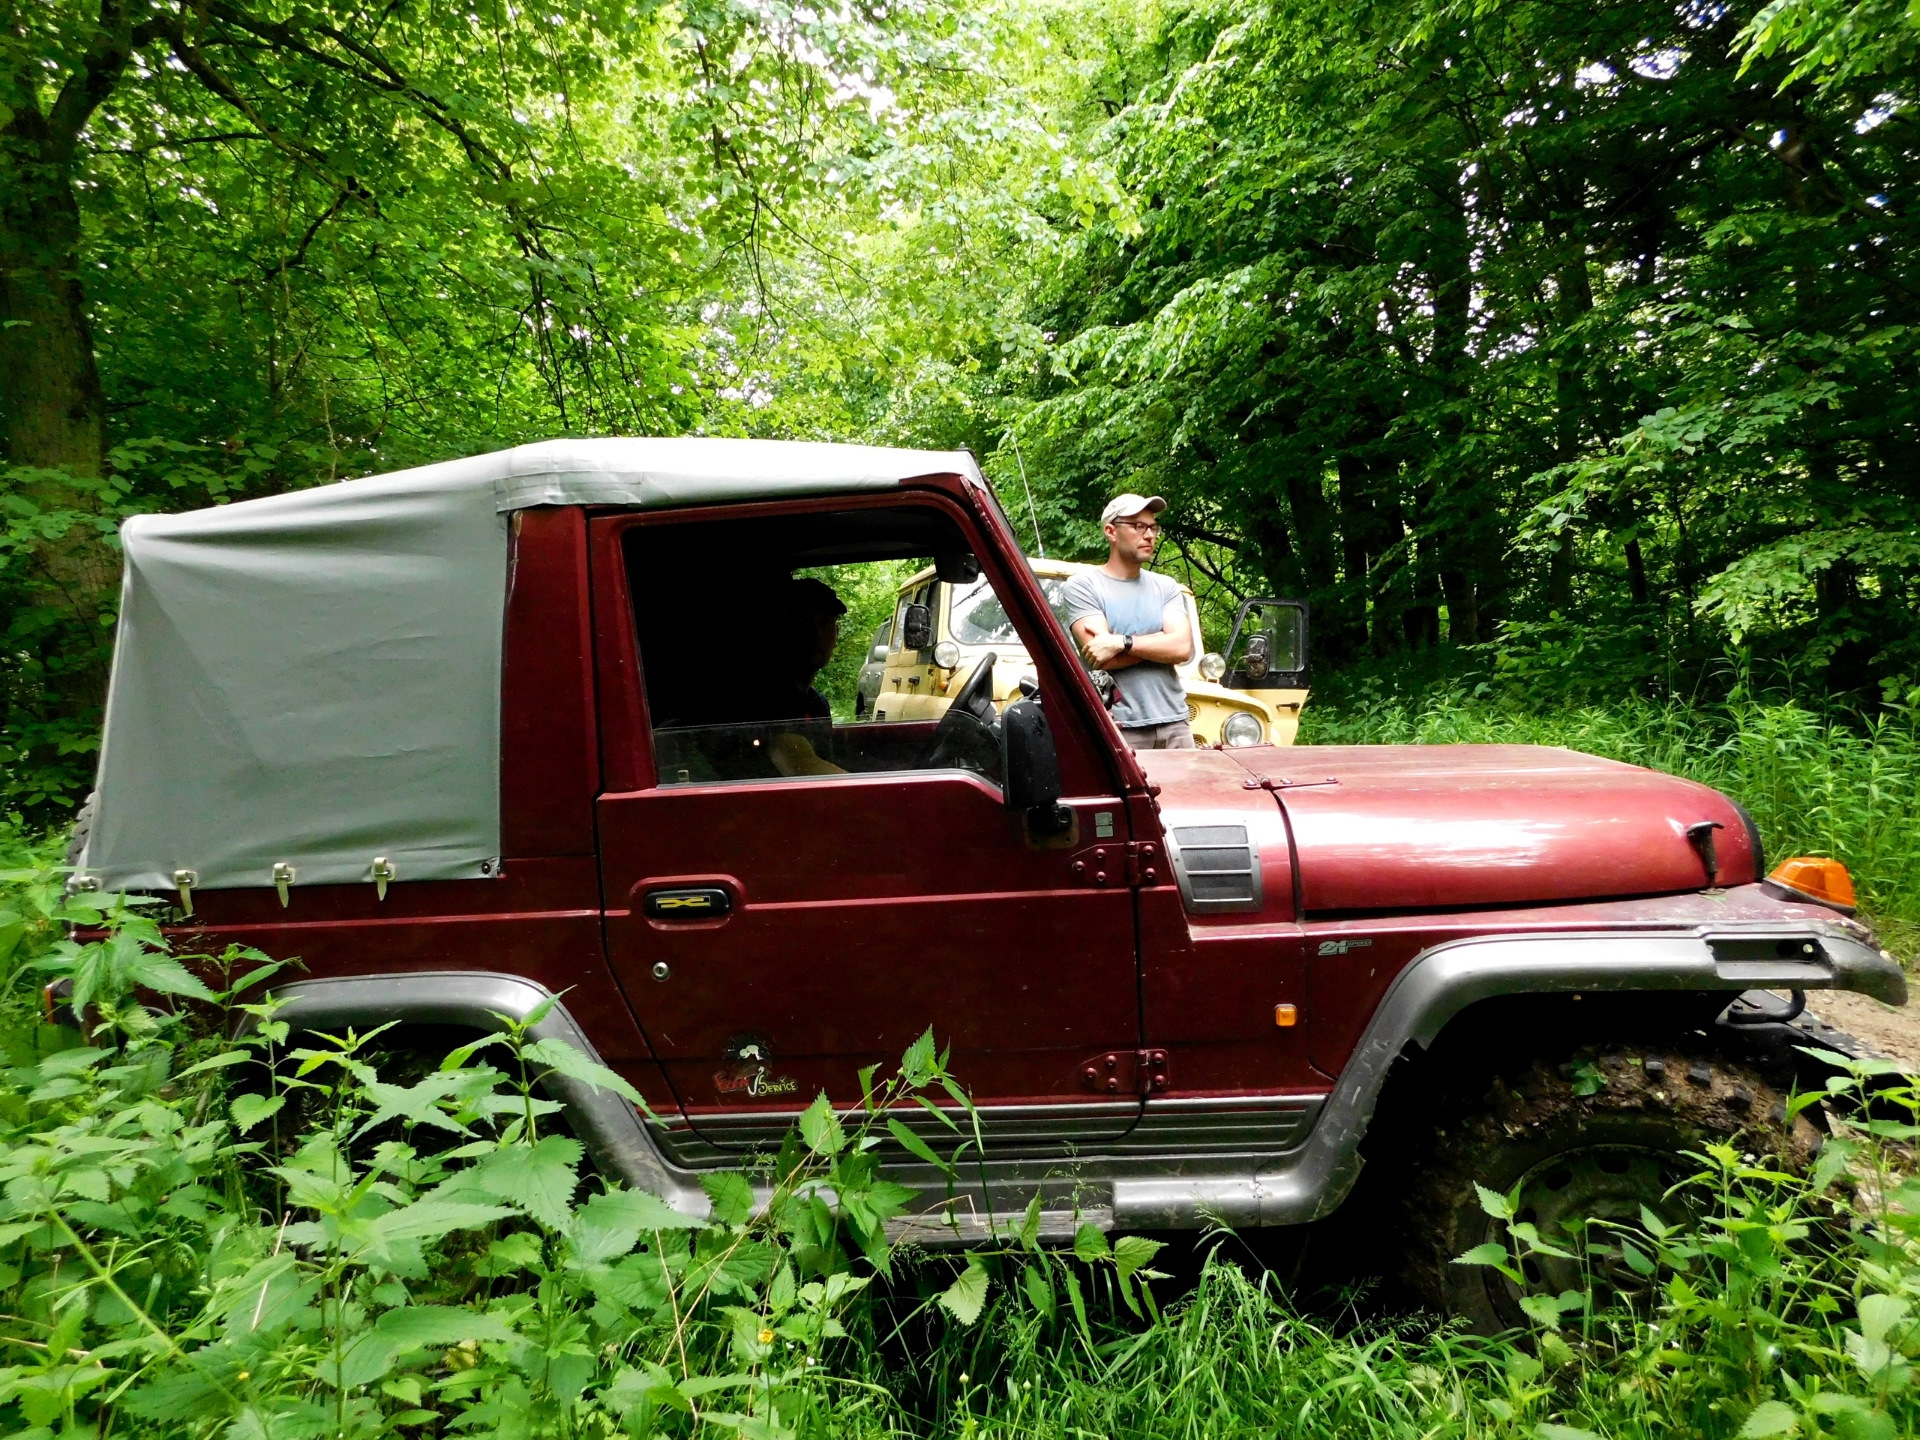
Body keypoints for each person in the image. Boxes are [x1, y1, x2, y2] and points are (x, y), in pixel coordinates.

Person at [1061, 493, 1195, 749]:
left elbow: (1182, 649)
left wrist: (1122, 641)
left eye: (1153, 526)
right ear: (1111, 531)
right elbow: (1103, 657)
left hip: (1176, 723)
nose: (1149, 535)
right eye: (1138, 526)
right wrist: (1160, 641)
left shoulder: (1166, 586)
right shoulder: (1083, 586)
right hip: (1118, 726)